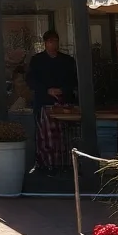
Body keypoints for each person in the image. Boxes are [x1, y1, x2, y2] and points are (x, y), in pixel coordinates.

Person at [25, 30, 78, 170]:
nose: (54, 44)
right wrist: (47, 90)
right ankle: (46, 163)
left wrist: (62, 90)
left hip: (64, 102)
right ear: (45, 43)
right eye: (50, 41)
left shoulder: (67, 60)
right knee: (46, 138)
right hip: (44, 103)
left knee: (64, 137)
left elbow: (74, 80)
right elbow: (31, 80)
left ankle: (65, 163)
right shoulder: (37, 60)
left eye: (56, 41)